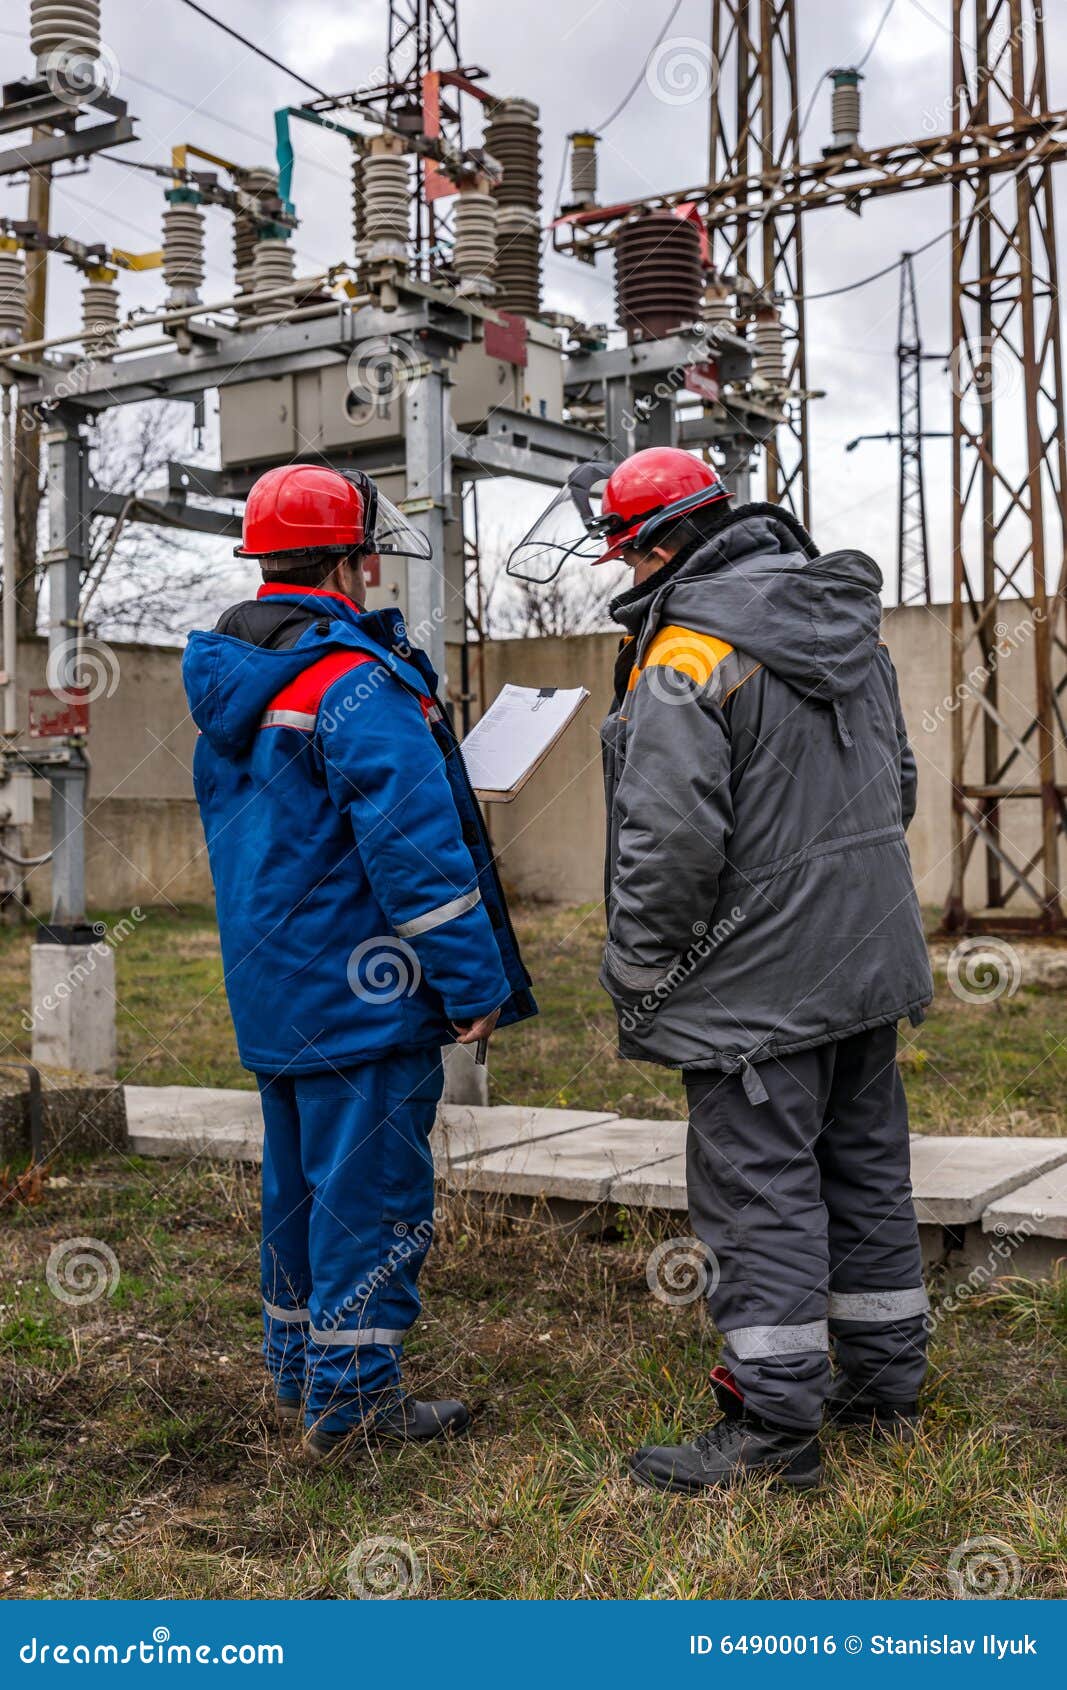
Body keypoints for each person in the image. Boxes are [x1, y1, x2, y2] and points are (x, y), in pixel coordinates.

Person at [592, 446, 933, 1493]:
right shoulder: (850, 636)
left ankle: (773, 1426)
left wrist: (642, 965)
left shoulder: (684, 655)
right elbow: (900, 785)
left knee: (758, 1187)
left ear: (651, 546)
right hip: (864, 959)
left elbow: (669, 841)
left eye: (623, 555)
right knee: (863, 1165)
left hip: (753, 986)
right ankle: (881, 1381)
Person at [182, 462, 535, 1459]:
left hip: (277, 986)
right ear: (356, 556)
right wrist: (472, 982)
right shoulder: (355, 681)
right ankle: (354, 1404)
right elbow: (415, 858)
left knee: (297, 1186)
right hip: (363, 993)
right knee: (370, 1196)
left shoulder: (228, 681)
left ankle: (299, 1370)